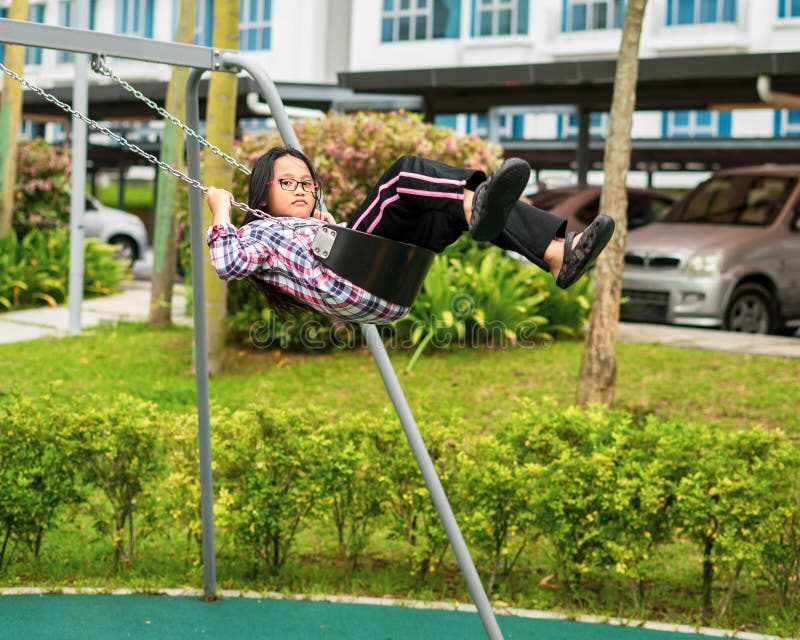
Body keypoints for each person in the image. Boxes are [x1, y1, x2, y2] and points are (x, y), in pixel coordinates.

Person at [206, 147, 614, 323]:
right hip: (355, 271)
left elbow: (316, 246)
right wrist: (220, 208)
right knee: (402, 176)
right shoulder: (260, 232)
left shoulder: (311, 225)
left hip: (390, 278)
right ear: (262, 192)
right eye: (287, 183)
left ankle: (557, 253)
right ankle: (476, 203)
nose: (301, 189)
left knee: (455, 208)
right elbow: (227, 262)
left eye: (307, 183)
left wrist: (327, 224)